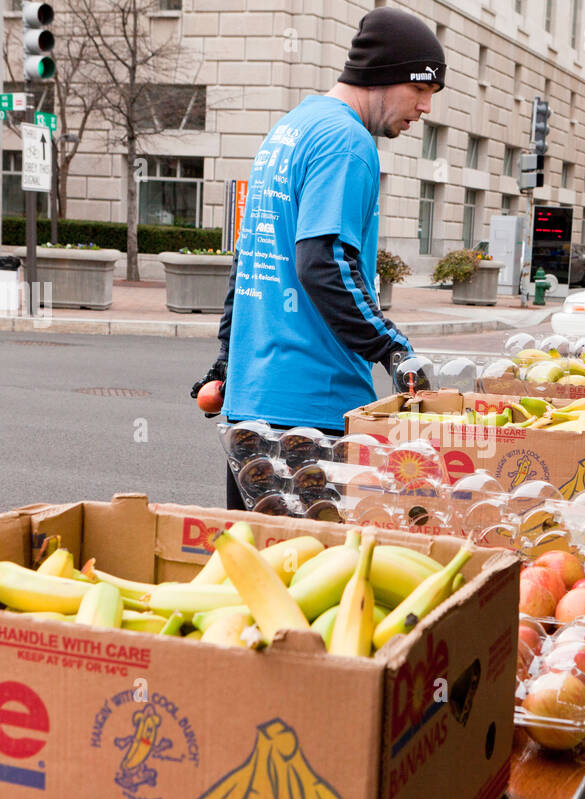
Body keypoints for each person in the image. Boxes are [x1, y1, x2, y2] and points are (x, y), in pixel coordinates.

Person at [191, 7, 446, 510]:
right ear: (386, 76)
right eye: (421, 91)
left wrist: (227, 360)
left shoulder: (289, 130)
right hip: (313, 409)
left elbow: (249, 262)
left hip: (251, 404)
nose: (425, 108)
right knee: (308, 576)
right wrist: (392, 348)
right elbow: (323, 261)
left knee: (258, 574)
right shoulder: (348, 143)